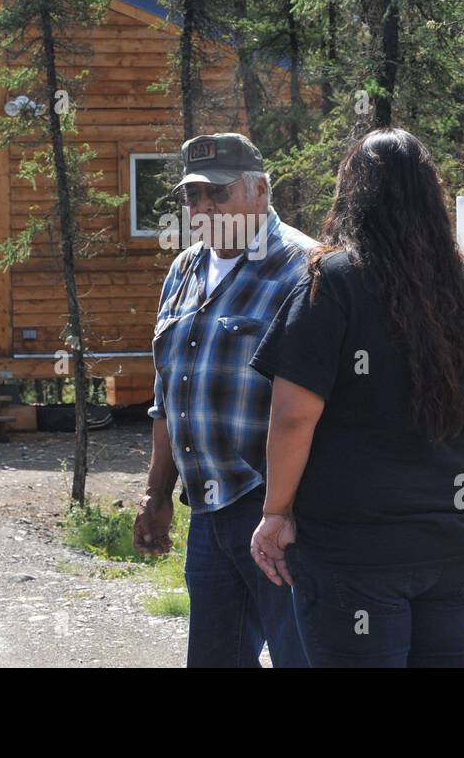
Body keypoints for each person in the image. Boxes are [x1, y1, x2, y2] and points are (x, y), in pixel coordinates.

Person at [247, 128, 464, 668]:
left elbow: (294, 417)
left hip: (354, 546)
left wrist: (276, 512)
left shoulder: (332, 283)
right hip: (454, 543)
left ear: (354, 195)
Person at [134, 132, 315, 667]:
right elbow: (168, 393)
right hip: (210, 513)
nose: (203, 207)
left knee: (300, 656)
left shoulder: (305, 270)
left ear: (260, 190)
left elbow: (325, 406)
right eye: (193, 196)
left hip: (283, 515)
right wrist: (157, 492)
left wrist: (285, 511)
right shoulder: (184, 269)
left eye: (218, 193)